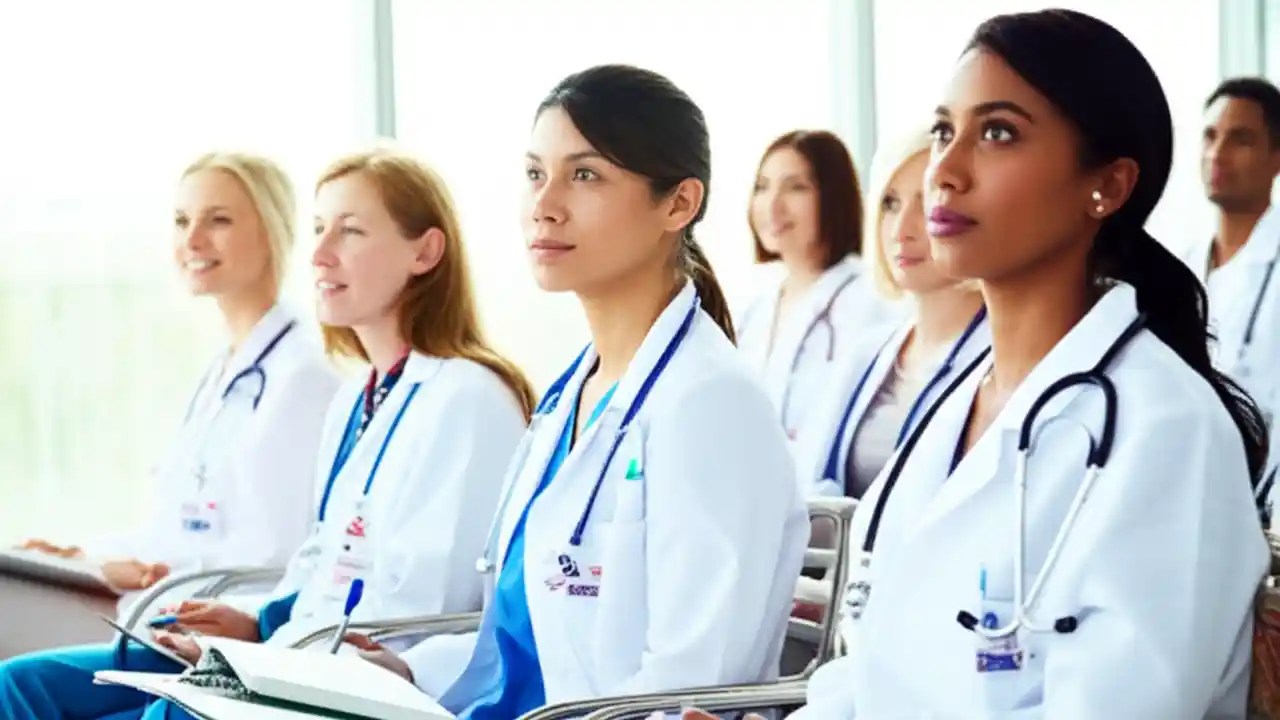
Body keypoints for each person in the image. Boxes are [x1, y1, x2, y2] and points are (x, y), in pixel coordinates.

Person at [691, 8, 1269, 719]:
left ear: (1109, 186)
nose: (946, 170)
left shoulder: (1165, 429)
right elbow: (873, 669)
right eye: (943, 131)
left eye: (998, 133)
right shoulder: (958, 406)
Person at [0, 149, 533, 720]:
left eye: (350, 231)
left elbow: (419, 604)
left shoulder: (468, 398)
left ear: (425, 252)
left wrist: (274, 644)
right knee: (22, 687)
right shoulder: (359, 396)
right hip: (288, 653)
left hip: (352, 678)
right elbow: (318, 558)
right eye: (319, 230)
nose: (322, 254)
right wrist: (258, 622)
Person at [351, 65, 808, 720]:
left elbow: (690, 685)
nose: (545, 203)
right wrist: (405, 667)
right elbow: (523, 641)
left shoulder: (710, 404)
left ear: (678, 204)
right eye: (536, 173)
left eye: (585, 175)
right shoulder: (573, 395)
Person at [20, 152, 338, 594]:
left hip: (223, 625)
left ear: (272, 231)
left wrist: (147, 575)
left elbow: (271, 558)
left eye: (218, 220)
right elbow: (175, 529)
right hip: (177, 604)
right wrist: (83, 556)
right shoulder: (223, 371)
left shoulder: (302, 375)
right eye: (182, 221)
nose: (193, 239)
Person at [792, 127, 988, 500]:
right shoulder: (866, 353)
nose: (901, 229)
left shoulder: (1001, 359)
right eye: (890, 204)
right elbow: (806, 488)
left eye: (928, 204)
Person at [737, 130, 901, 441]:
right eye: (762, 187)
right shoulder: (753, 308)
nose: (773, 205)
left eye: (795, 188)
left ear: (833, 196)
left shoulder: (870, 300)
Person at [1183, 77, 1280, 515]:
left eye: (1240, 139)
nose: (1216, 154)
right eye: (1210, 135)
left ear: (1276, 157)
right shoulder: (1180, 269)